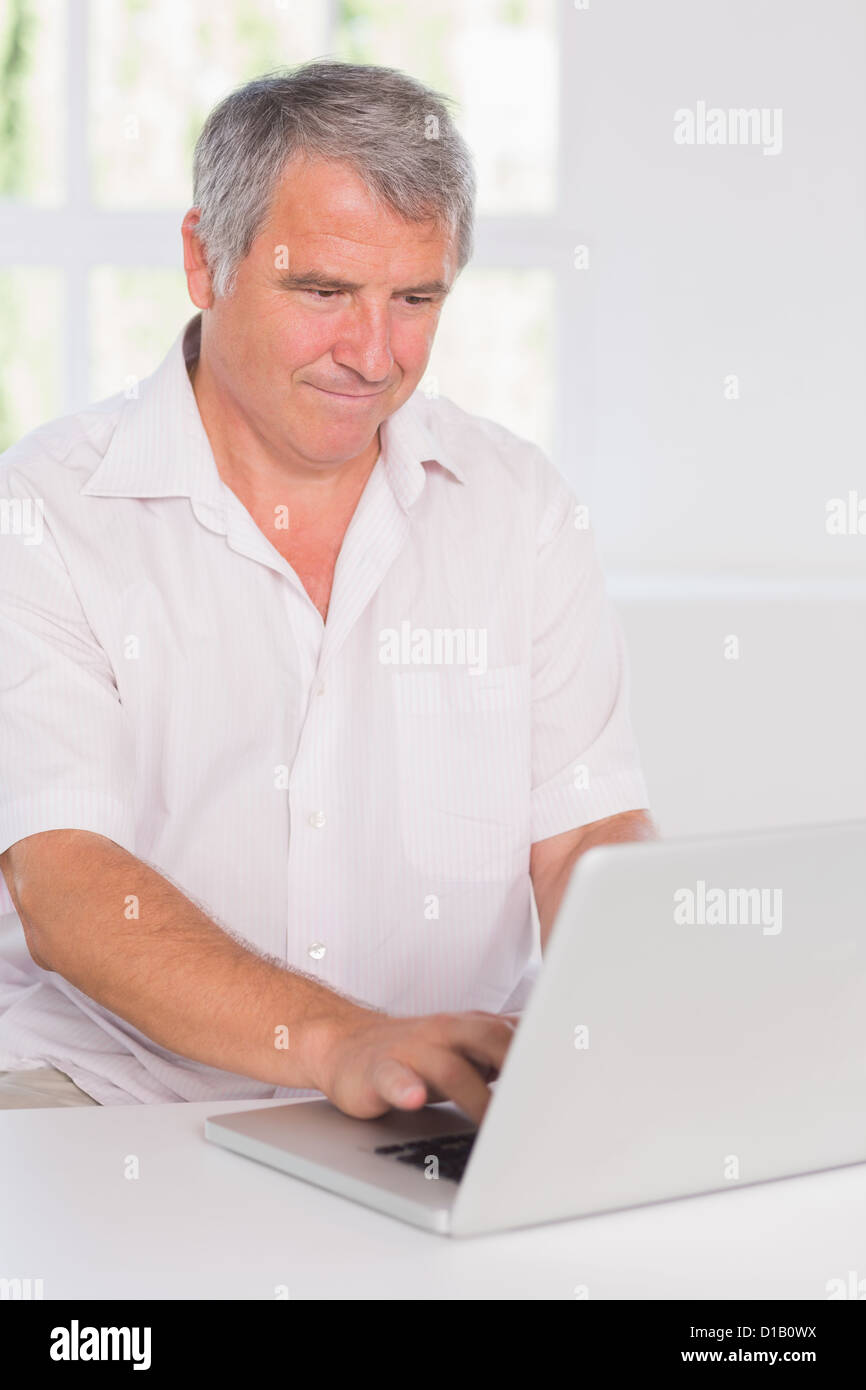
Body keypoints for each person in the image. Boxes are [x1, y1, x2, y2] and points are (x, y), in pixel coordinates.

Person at [0, 62, 653, 1116]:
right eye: (322, 292)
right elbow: (64, 880)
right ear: (203, 260)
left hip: (439, 1105)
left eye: (414, 300)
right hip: (110, 1094)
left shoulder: (517, 506)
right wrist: (342, 1042)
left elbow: (582, 839)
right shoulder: (44, 511)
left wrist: (623, 1021)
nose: (371, 354)